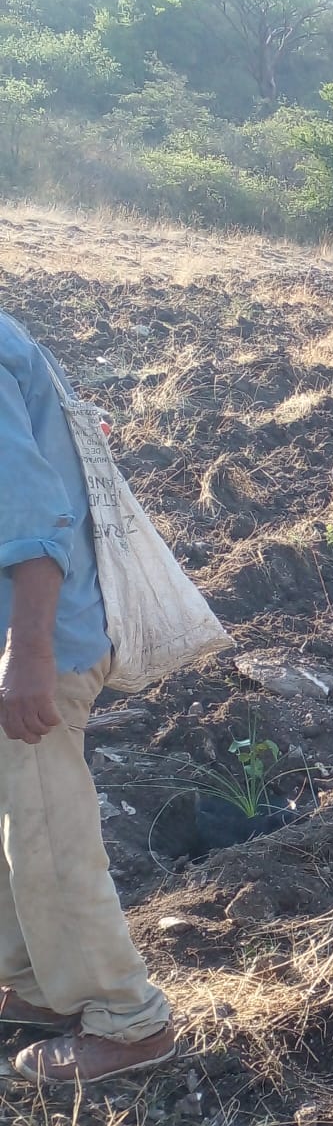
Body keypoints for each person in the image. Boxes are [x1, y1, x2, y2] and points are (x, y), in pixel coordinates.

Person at [0, 311, 178, 1084]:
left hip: (42, 643)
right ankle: (40, 986)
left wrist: (29, 652)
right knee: (14, 822)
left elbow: (32, 517)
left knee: (48, 831)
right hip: (31, 639)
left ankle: (129, 1021)